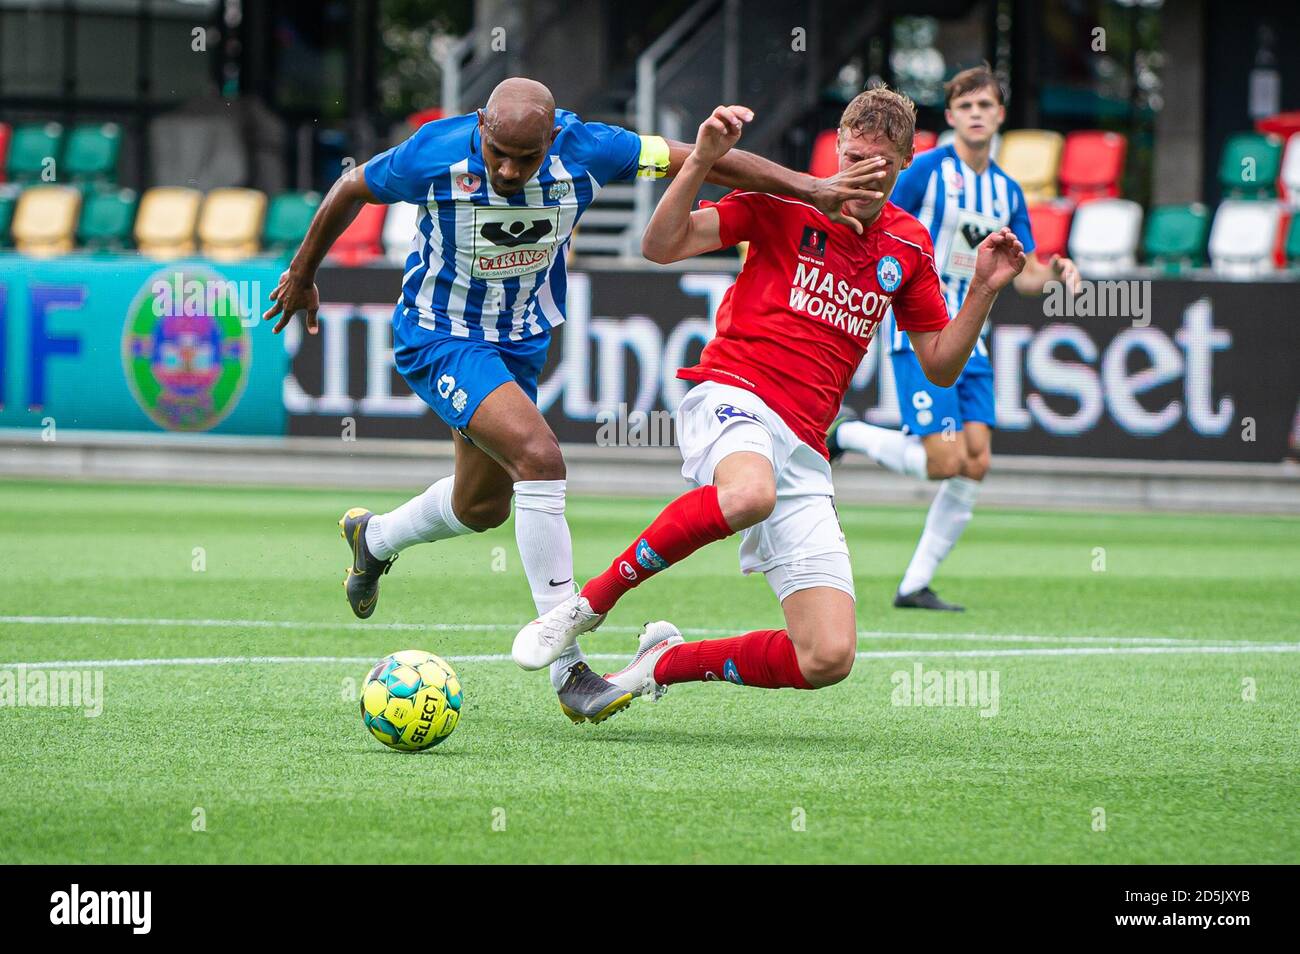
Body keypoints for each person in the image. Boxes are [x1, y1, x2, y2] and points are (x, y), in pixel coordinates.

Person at [262, 77, 885, 724]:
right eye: (496, 151)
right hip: (441, 335)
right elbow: (351, 187)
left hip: (520, 343)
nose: (507, 168)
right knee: (540, 457)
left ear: (553, 139)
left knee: (481, 506)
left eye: (524, 158)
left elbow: (702, 157)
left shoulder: (592, 147)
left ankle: (375, 537)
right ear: (480, 124)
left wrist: (810, 187)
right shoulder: (435, 151)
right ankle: (569, 669)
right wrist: (304, 273)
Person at [512, 86, 1026, 702]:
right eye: (855, 157)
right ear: (836, 147)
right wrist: (701, 159)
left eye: (882, 164)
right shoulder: (784, 201)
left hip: (804, 444)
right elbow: (661, 245)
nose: (865, 174)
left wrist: (985, 289)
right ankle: (588, 604)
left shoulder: (909, 244)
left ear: (907, 160)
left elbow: (940, 364)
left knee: (827, 657)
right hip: (735, 393)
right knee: (751, 493)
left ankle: (661, 664)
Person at [827, 65, 1081, 611]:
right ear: (951, 117)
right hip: (920, 327)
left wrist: (1055, 270)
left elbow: (1027, 274)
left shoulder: (1007, 190)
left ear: (999, 116)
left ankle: (914, 584)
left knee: (977, 461)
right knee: (943, 460)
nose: (975, 114)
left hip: (973, 334)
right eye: (965, 107)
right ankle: (847, 435)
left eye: (985, 106)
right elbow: (878, 214)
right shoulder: (925, 172)